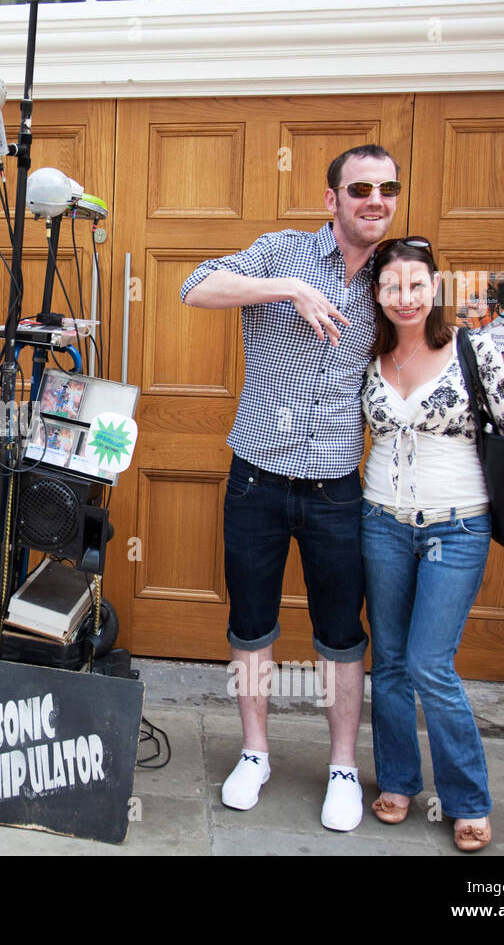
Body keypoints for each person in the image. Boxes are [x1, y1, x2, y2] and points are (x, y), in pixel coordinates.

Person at [180, 144, 402, 831]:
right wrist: (288, 289)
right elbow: (195, 286)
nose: (375, 200)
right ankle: (255, 753)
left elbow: (439, 339)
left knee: (342, 632)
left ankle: (343, 767)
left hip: (337, 487)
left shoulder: (394, 277)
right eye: (360, 188)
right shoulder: (283, 251)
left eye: (387, 189)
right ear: (332, 198)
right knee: (251, 624)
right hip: (257, 479)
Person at [361, 237, 504, 851]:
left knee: (428, 663)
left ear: (435, 287)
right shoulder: (369, 351)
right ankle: (397, 781)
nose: (405, 297)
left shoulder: (473, 348)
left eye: (416, 284)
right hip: (382, 521)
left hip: (457, 525)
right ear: (377, 292)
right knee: (390, 661)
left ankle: (467, 799)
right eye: (392, 286)